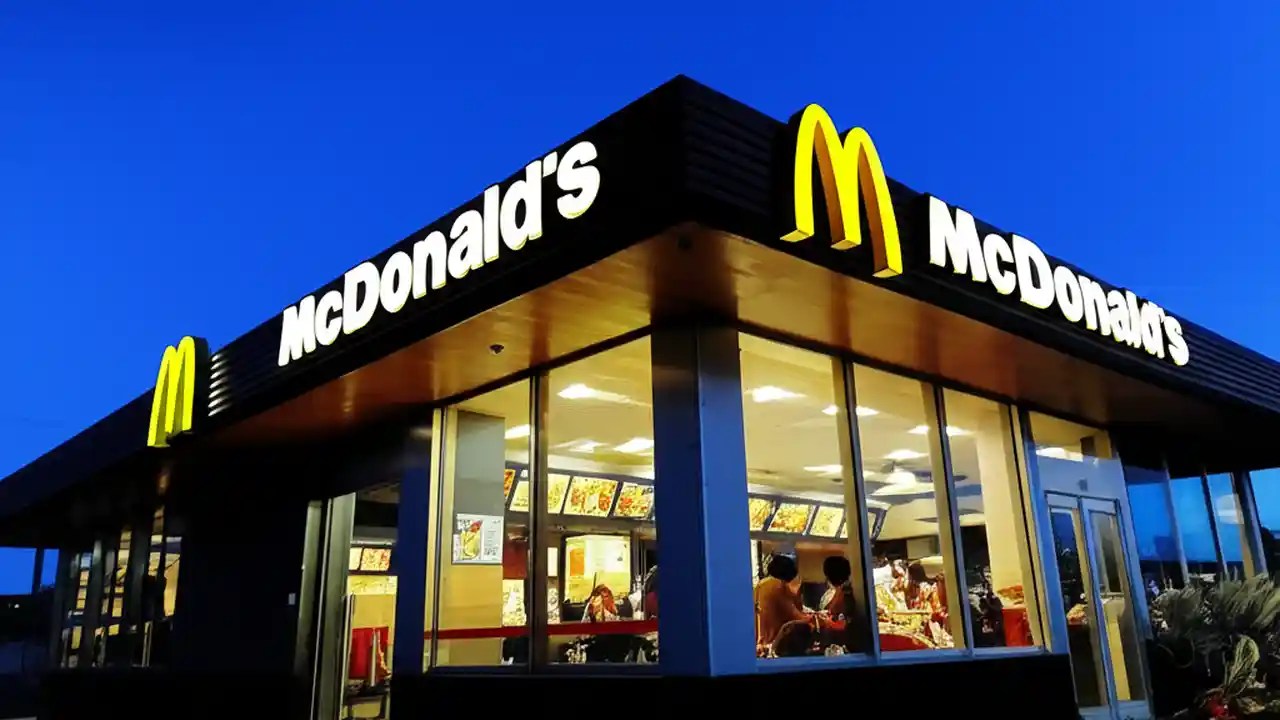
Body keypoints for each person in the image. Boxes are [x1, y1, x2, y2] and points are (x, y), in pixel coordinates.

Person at [753, 554, 810, 648]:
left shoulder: (759, 585)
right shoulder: (778, 585)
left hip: (757, 646)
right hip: (772, 646)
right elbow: (798, 617)